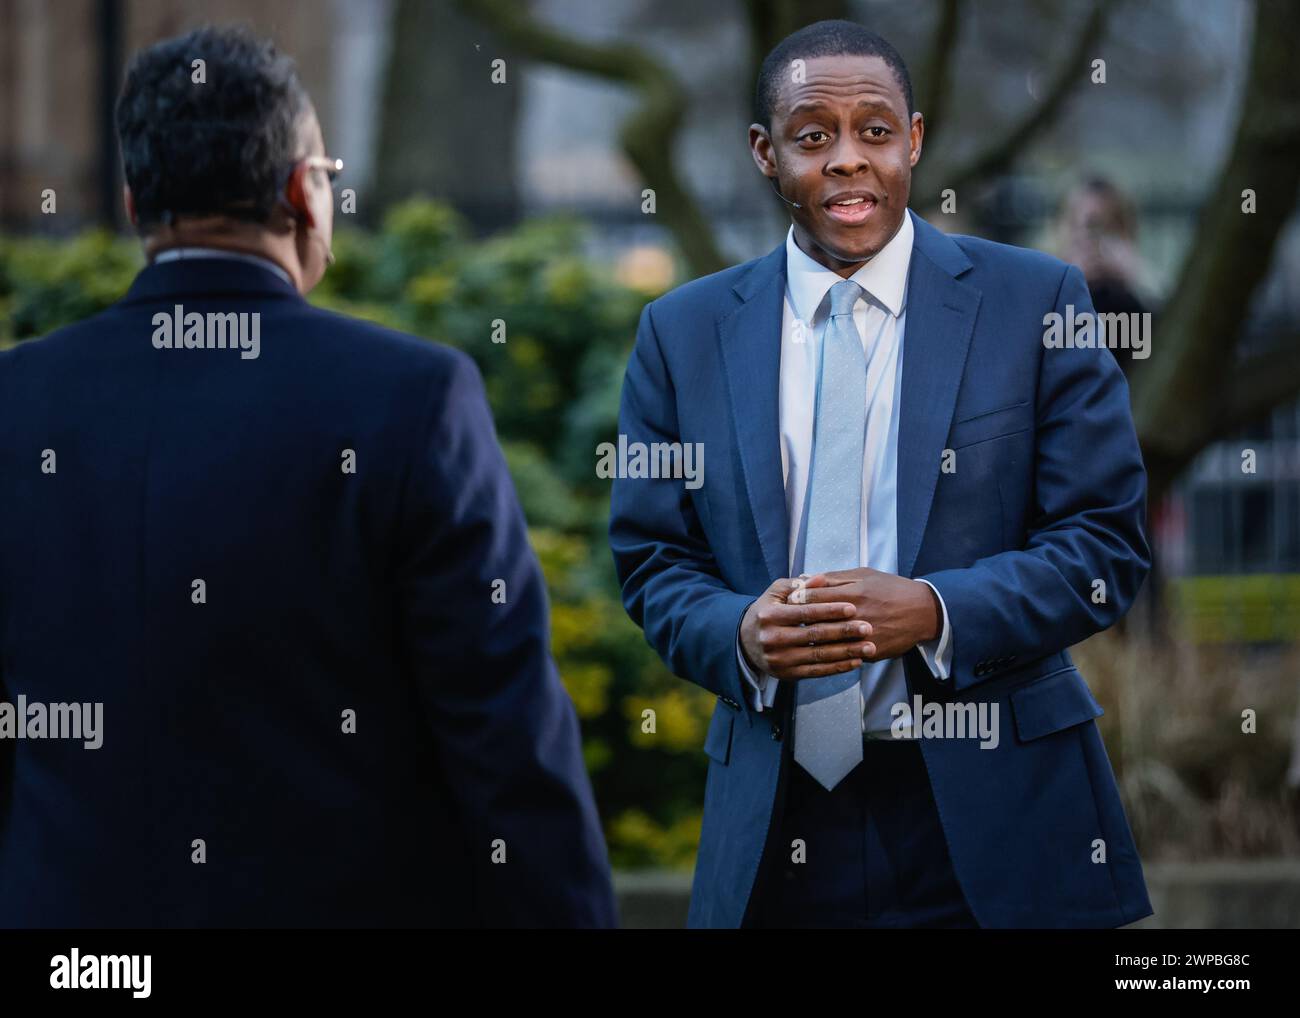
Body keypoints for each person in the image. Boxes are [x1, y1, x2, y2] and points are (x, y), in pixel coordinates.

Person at [0, 25, 616, 928]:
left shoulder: (19, 400)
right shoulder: (412, 399)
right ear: (302, 193)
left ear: (135, 204)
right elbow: (505, 740)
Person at [609, 19, 1153, 929]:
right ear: (765, 152)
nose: (848, 159)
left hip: (996, 817)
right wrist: (741, 630)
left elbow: (1104, 544)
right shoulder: (682, 332)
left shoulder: (1036, 302)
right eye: (813, 134)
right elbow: (652, 558)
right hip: (776, 829)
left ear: (915, 141)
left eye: (875, 130)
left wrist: (936, 610)